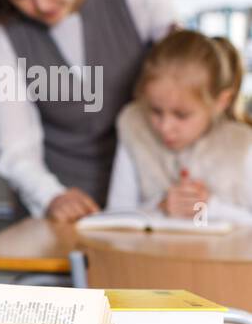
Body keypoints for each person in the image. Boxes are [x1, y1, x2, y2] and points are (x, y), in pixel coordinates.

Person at [0, 0, 176, 222]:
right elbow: (15, 145)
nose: (40, 4)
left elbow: (191, 83)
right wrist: (51, 195)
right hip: (58, 208)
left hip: (151, 199)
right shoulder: (2, 30)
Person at [106, 29, 252, 224]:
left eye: (181, 115)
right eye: (156, 111)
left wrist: (210, 207)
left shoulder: (241, 145)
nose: (165, 127)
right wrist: (161, 207)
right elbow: (114, 218)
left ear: (221, 102)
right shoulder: (134, 129)